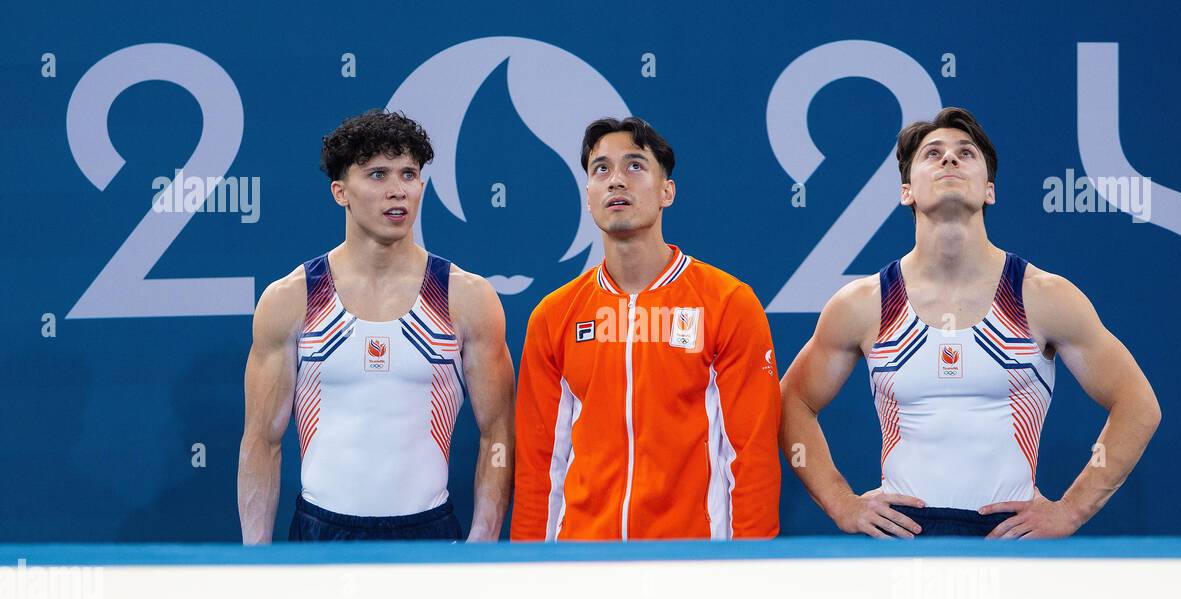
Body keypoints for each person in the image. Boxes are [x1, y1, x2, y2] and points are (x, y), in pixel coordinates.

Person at [780, 107, 1161, 538]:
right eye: (932, 153)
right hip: (904, 541)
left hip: (1010, 541)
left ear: (989, 190)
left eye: (966, 153)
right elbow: (793, 401)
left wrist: (1071, 510)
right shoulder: (864, 305)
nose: (949, 160)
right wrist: (841, 502)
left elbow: (1137, 404)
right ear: (906, 191)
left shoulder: (1044, 298)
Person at [237, 110, 514, 543]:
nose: (397, 191)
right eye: (378, 174)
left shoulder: (467, 299)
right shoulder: (290, 299)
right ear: (340, 192)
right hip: (320, 534)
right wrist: (256, 558)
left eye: (409, 174)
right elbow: (261, 441)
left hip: (431, 533)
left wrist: (481, 543)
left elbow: (498, 433)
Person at [511, 117, 780, 540]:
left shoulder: (728, 303)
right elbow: (539, 462)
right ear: (588, 196)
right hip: (583, 563)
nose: (616, 180)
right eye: (601, 169)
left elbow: (751, 455)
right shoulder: (554, 314)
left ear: (666, 192)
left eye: (635, 166)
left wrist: (751, 565)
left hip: (691, 564)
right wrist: (528, 567)